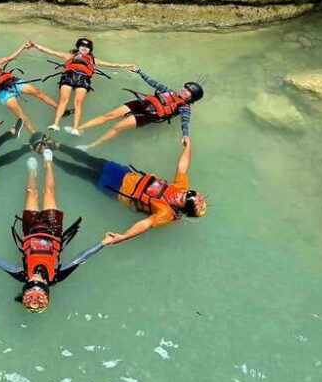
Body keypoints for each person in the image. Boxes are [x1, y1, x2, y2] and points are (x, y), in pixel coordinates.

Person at [0, 150, 112, 312]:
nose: (35, 277)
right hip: (53, 230)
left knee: (31, 193)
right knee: (49, 192)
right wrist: (103, 243)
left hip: (31, 230)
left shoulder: (21, 274)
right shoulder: (56, 276)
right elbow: (80, 258)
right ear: (45, 287)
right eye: (39, 283)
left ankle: (32, 171)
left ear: (26, 285)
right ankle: (48, 163)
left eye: (31, 282)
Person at [40, 136, 207, 243]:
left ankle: (51, 158)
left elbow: (145, 224)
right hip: (125, 174)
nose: (184, 193)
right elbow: (183, 167)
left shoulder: (166, 213)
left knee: (82, 172)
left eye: (185, 197)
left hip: (117, 189)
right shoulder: (180, 187)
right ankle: (56, 145)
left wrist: (124, 237)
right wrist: (188, 146)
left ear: (182, 206)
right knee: (90, 159)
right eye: (190, 192)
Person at [26, 37, 136, 136]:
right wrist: (35, 45)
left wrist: (128, 65)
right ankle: (55, 124)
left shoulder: (94, 60)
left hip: (84, 79)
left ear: (90, 49)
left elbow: (114, 65)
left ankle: (75, 128)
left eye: (87, 47)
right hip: (69, 76)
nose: (84, 48)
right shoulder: (69, 56)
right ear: (78, 46)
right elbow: (50, 51)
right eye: (82, 46)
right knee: (63, 100)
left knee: (78, 103)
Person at [76, 67, 204, 150]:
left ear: (191, 98)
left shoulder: (185, 108)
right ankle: (77, 129)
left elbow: (185, 122)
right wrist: (140, 72)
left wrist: (185, 135)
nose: (184, 91)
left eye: (188, 92)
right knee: (108, 115)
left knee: (117, 127)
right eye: (185, 88)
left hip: (150, 115)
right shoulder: (169, 91)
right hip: (141, 104)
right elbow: (153, 82)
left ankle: (90, 146)